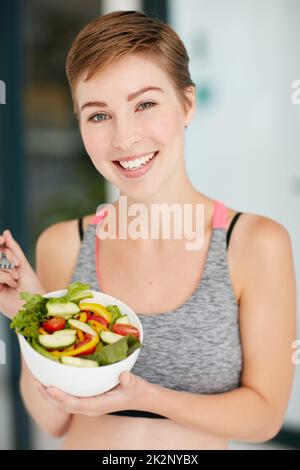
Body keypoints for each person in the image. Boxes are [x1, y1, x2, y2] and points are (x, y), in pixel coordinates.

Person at [0, 10, 297, 450]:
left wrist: (147, 396)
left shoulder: (254, 245)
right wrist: (30, 315)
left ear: (187, 104)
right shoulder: (64, 244)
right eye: (99, 116)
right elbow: (54, 420)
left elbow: (265, 416)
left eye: (145, 104)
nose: (125, 138)